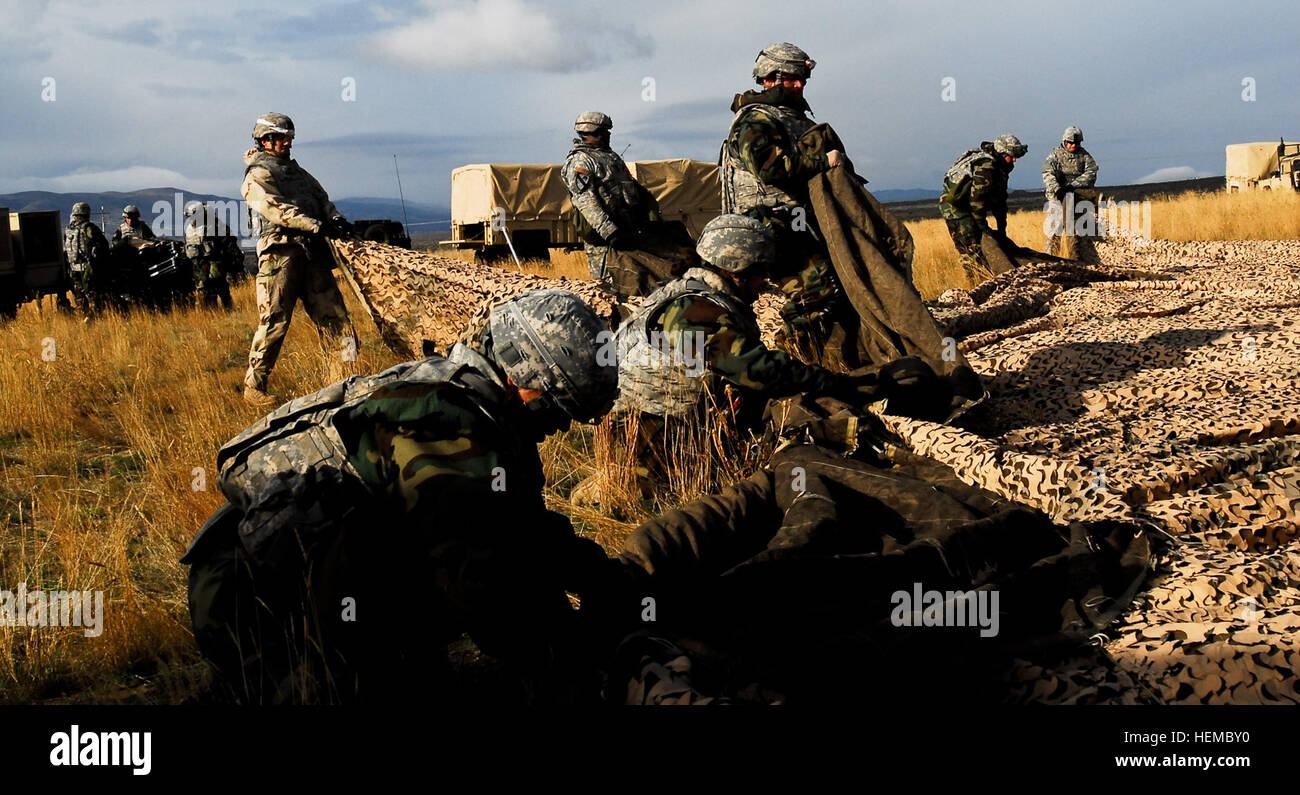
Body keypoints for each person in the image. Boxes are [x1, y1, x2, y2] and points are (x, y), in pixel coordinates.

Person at [183, 288, 638, 704]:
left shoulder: (473, 403)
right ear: (526, 377)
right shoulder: (449, 428)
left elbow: (521, 527)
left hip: (287, 579)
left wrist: (603, 578)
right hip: (254, 608)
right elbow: (484, 589)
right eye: (558, 407)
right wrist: (577, 668)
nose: (560, 426)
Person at [721, 42, 857, 366]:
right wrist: (823, 162)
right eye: (791, 78)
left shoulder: (791, 117)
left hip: (795, 217)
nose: (799, 85)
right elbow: (770, 168)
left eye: (802, 79)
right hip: (767, 221)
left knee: (834, 287)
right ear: (769, 78)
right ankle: (789, 365)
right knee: (817, 289)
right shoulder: (754, 120)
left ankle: (825, 360)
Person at [240, 111, 358, 406]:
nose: (287, 143)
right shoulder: (258, 174)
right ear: (265, 140)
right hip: (280, 256)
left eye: (290, 138)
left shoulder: (299, 174)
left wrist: (336, 219)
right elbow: (274, 208)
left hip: (313, 254)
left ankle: (340, 382)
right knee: (275, 321)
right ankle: (254, 387)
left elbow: (322, 199)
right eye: (281, 138)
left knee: (337, 320)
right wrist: (315, 225)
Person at [561, 112, 691, 302]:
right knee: (610, 292)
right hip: (606, 244)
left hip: (629, 234)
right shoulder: (581, 162)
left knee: (637, 286)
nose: (609, 135)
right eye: (605, 131)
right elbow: (588, 203)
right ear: (593, 132)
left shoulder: (610, 157)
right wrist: (611, 233)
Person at [938, 134, 1028, 283]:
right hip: (958, 211)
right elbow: (977, 201)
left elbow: (1000, 203)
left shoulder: (999, 167)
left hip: (966, 207)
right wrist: (983, 228)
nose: (1014, 160)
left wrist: (1001, 231)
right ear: (1002, 153)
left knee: (980, 244)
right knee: (971, 250)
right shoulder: (986, 166)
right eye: (1010, 156)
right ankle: (975, 287)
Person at [1042, 126, 1100, 258]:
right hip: (1058, 199)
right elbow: (1047, 173)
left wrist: (1072, 186)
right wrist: (1058, 190)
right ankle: (1050, 259)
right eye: (1071, 142)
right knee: (1054, 229)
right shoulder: (1055, 155)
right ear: (1065, 141)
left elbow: (1091, 173)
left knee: (1079, 231)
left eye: (1077, 143)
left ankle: (1080, 258)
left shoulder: (1084, 156)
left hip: (1078, 198)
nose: (1073, 145)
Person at [184, 203, 240, 309]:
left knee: (219, 286)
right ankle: (210, 314)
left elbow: (231, 246)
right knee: (204, 290)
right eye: (190, 216)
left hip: (215, 263)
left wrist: (232, 263)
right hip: (198, 266)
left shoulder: (218, 227)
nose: (191, 219)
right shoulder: (190, 230)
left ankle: (228, 310)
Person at [62, 202, 111, 314]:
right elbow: (103, 245)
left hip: (73, 267)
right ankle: (94, 315)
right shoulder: (89, 228)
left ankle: (83, 313)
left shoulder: (69, 229)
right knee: (92, 293)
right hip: (88, 267)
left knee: (79, 293)